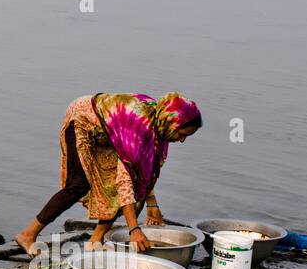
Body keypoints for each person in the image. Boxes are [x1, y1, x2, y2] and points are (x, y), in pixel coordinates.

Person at [15, 92, 201, 256]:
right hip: (83, 119)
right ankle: (28, 234)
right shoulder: (139, 126)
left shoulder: (160, 127)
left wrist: (152, 204)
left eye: (187, 136)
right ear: (172, 122)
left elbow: (146, 172)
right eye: (182, 134)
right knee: (79, 185)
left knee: (132, 190)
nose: (182, 140)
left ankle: (95, 240)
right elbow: (125, 180)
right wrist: (134, 229)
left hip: (108, 133)